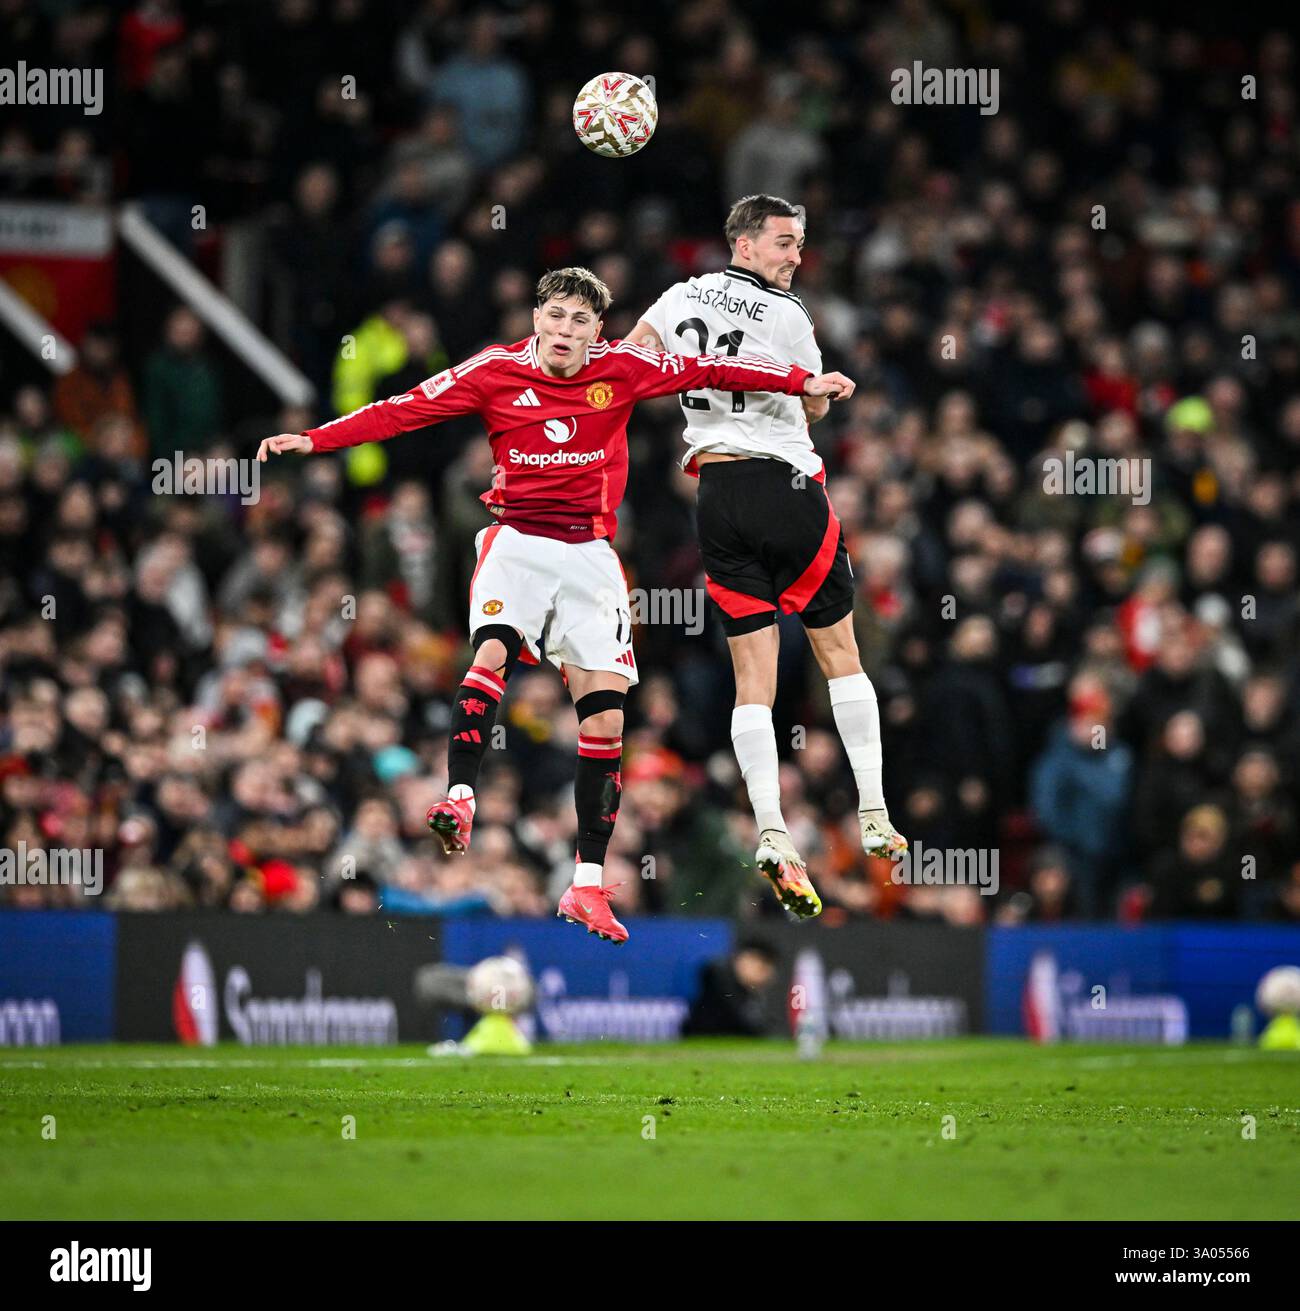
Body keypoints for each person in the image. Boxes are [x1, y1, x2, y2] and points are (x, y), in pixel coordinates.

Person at [258, 266, 856, 945]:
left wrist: (801, 381)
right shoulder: (494, 372)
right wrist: (317, 438)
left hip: (591, 554)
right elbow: (402, 408)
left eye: (580, 320)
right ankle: (459, 795)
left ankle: (587, 885)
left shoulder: (624, 369)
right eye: (556, 315)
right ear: (536, 316)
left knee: (605, 719)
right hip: (517, 537)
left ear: (598, 331)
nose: (565, 330)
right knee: (493, 647)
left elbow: (714, 368)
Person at [627, 195, 905, 922]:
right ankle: (874, 809)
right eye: (784, 241)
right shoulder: (787, 315)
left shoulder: (681, 294)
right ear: (743, 243)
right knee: (839, 653)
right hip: (784, 486)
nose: (795, 255)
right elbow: (812, 408)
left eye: (800, 243)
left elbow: (630, 359)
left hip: (715, 493)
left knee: (754, 679)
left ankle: (773, 830)